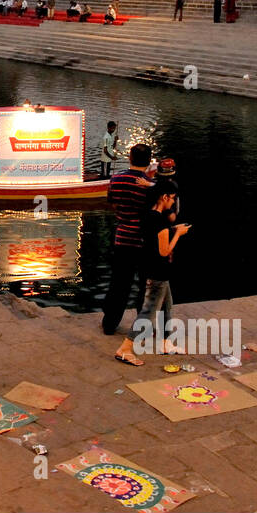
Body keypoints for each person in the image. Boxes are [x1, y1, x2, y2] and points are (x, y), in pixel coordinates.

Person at [102, 143, 154, 356]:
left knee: (119, 284)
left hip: (122, 238)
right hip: (143, 241)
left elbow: (113, 204)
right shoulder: (150, 185)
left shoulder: (116, 180)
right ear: (149, 161)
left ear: (130, 158)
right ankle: (142, 329)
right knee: (144, 286)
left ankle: (109, 324)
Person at [134, 181, 189, 357]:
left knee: (166, 306)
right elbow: (164, 251)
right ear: (164, 197)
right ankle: (127, 346)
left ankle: (166, 343)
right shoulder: (159, 220)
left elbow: (154, 237)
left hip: (147, 265)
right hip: (158, 270)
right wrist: (178, 234)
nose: (172, 202)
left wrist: (171, 230)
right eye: (172, 198)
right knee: (150, 310)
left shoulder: (147, 215)